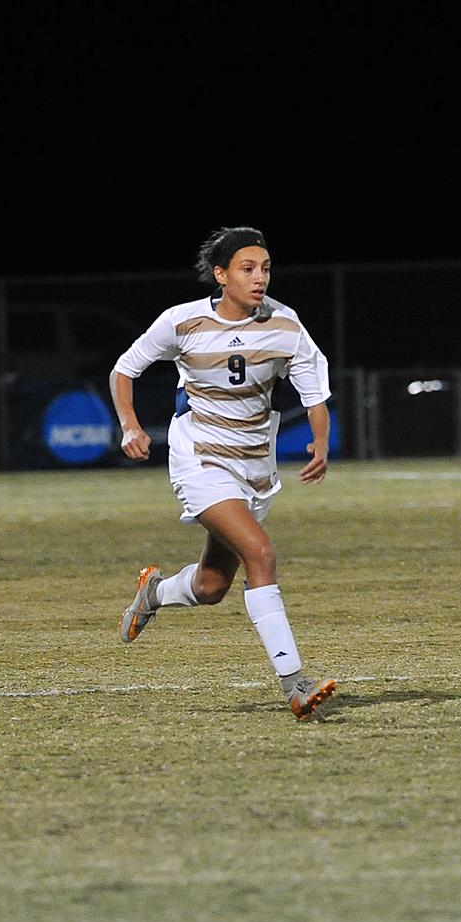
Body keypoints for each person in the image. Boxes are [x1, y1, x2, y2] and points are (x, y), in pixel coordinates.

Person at [109, 226, 338, 720]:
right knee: (261, 553)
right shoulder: (182, 321)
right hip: (200, 458)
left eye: (266, 268)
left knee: (211, 587)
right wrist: (130, 425)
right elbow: (124, 369)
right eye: (247, 268)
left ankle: (154, 592)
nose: (260, 278)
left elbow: (315, 394)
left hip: (255, 467)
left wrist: (320, 442)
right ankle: (295, 685)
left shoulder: (285, 324)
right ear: (221, 275)